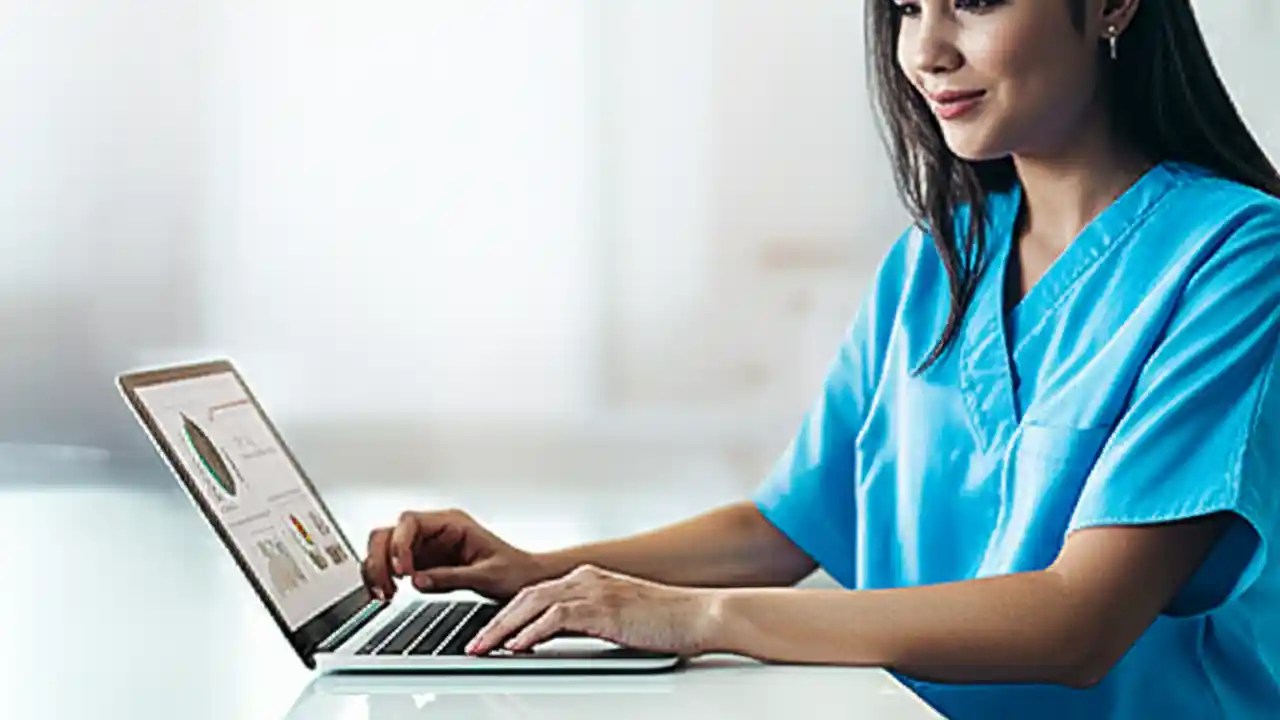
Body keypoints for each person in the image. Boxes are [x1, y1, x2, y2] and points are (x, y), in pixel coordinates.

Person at [362, 1, 1280, 717]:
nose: (926, 51)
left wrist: (700, 620)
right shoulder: (937, 259)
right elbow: (783, 529)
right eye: (906, 9)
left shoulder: (1238, 256)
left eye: (975, 2)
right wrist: (540, 573)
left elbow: (1080, 622)